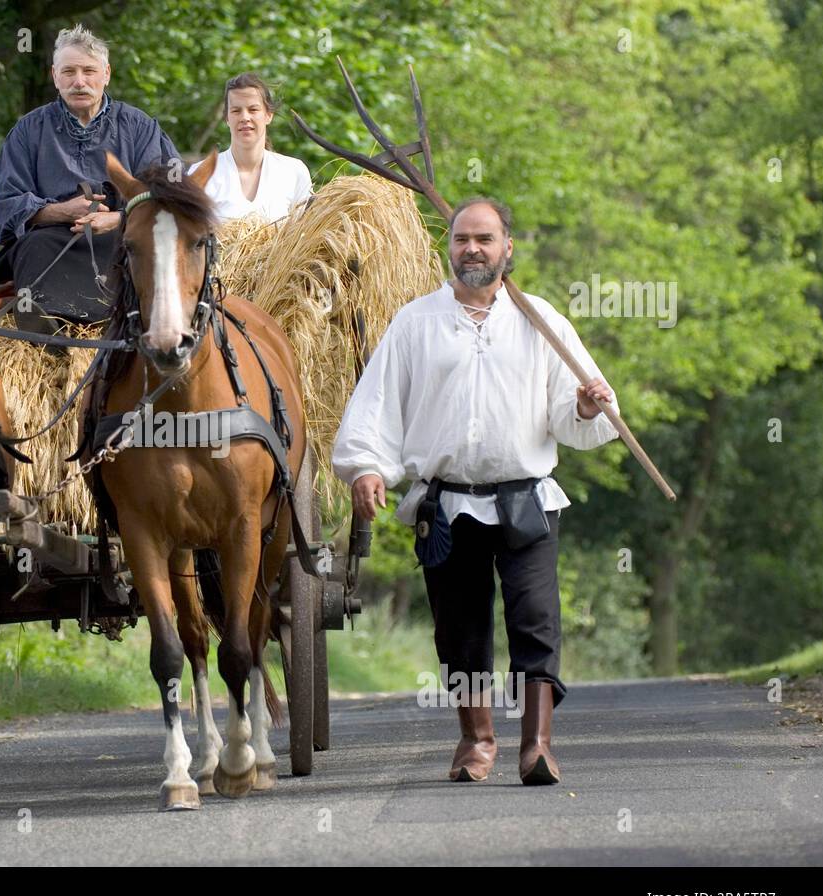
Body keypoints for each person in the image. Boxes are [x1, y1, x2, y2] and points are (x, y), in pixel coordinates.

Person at [331, 197, 620, 786]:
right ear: (450, 247)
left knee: (535, 621)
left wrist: (586, 406)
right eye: (462, 239)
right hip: (446, 503)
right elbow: (378, 403)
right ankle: (476, 740)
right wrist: (366, 468)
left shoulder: (543, 321)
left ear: (507, 247)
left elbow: (575, 414)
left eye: (485, 239)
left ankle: (537, 745)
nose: (472, 249)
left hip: (526, 500)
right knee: (459, 629)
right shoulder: (416, 322)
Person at [0, 24, 180, 326]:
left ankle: (122, 320)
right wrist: (61, 212)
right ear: (54, 76)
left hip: (119, 237)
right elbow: (4, 205)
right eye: (68, 72)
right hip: (53, 241)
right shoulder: (28, 131)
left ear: (106, 74)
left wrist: (118, 219)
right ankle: (47, 323)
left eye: (89, 71)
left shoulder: (140, 127)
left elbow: (169, 195)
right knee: (33, 248)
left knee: (139, 246)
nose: (79, 82)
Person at [190, 73, 311, 224]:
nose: (245, 117)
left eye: (253, 110)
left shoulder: (294, 172)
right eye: (236, 111)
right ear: (227, 118)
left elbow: (306, 238)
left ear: (268, 115)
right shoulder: (201, 174)